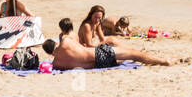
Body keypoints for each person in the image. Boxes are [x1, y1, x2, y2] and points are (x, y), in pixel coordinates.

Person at [41, 29, 173, 69]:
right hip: (98, 54)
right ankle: (164, 61)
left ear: (50, 53)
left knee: (126, 56)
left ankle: (158, 60)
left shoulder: (56, 64)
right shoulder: (65, 41)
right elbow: (72, 35)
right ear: (55, 43)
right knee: (134, 54)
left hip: (99, 65)